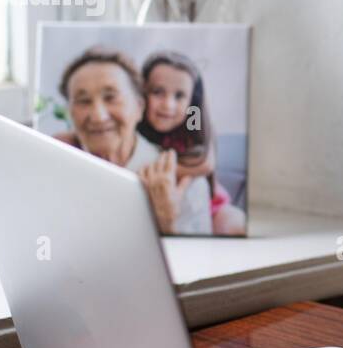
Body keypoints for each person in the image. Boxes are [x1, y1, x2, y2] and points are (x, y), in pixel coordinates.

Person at [57, 46, 211, 235]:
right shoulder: (55, 172)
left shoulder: (184, 184)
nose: (98, 116)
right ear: (70, 112)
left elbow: (197, 262)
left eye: (111, 98)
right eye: (83, 101)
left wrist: (166, 222)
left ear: (139, 107)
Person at [138, 51, 247, 236]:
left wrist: (147, 171)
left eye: (179, 96)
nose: (168, 105)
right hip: (162, 206)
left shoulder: (192, 124)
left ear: (192, 102)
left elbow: (204, 164)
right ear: (141, 93)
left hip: (211, 205)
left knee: (235, 223)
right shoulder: (135, 126)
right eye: (157, 92)